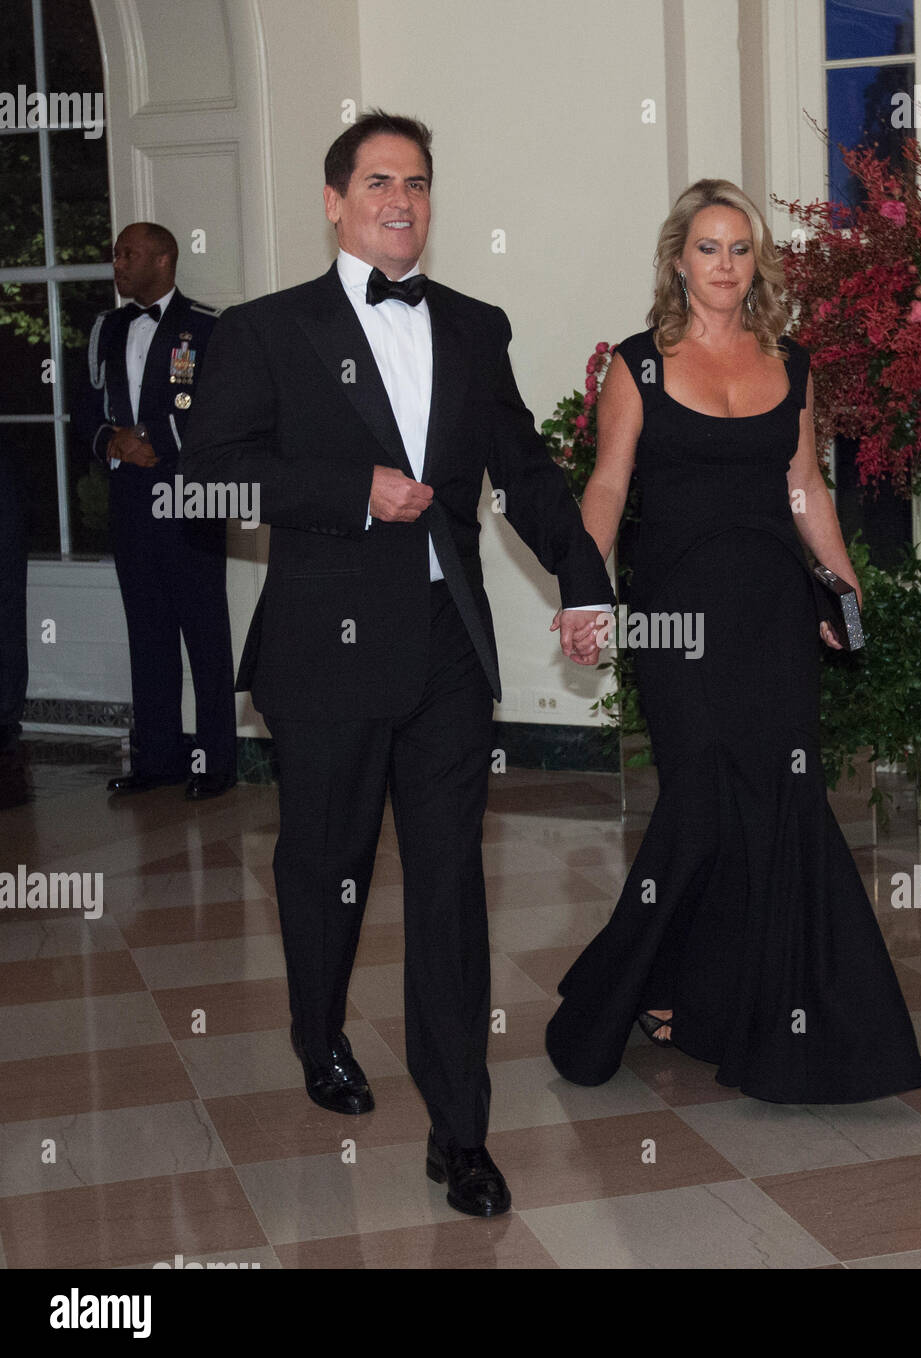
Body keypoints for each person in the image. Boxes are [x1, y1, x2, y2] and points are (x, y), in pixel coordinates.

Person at [180, 111, 614, 1218]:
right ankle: (317, 1028)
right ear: (335, 200)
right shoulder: (265, 330)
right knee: (326, 866)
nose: (401, 200)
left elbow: (520, 466)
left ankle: (459, 1131)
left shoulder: (474, 325)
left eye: (416, 182)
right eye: (379, 180)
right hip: (322, 655)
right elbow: (209, 479)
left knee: (450, 885)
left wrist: (582, 575)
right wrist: (348, 492)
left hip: (444, 654)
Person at [546, 179, 921, 1104]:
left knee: (783, 804)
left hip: (771, 617)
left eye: (741, 249)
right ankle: (626, 991)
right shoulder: (637, 368)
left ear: (757, 264)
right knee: (703, 804)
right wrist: (585, 592)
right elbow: (605, 486)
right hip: (678, 621)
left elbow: (804, 488)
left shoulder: (791, 365)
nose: (725, 265)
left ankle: (725, 1002)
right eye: (709, 248)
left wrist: (843, 588)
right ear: (679, 259)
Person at [82, 222, 237, 800]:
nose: (117, 263)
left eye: (128, 253)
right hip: (128, 503)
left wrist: (156, 441)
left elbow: (222, 413)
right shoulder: (107, 328)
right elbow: (83, 409)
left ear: (165, 259)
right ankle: (159, 756)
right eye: (116, 253)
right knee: (146, 633)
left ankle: (216, 761)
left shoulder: (207, 327)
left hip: (190, 501)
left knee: (204, 633)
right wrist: (111, 440)